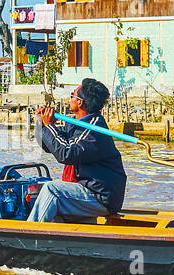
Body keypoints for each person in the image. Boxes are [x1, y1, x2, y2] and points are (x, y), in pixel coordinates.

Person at [26, 78, 126, 222]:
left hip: (100, 196)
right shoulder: (76, 124)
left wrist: (50, 127)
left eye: (72, 95)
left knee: (52, 190)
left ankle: (31, 233)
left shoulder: (94, 129)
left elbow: (66, 153)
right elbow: (49, 145)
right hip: (85, 190)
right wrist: (41, 123)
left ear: (80, 102)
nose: (70, 98)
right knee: (51, 209)